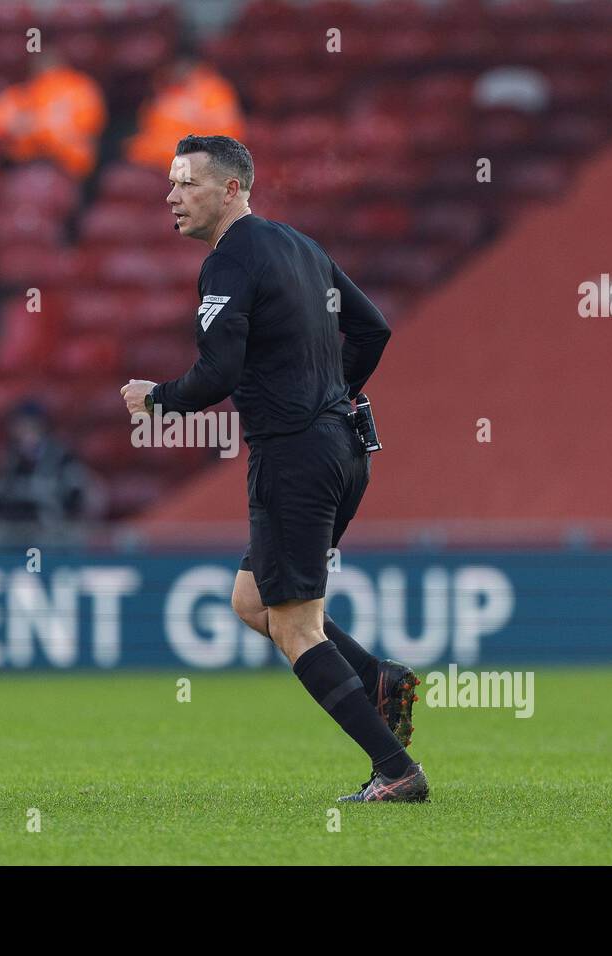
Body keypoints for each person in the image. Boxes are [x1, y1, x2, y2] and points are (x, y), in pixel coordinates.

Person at [120, 135, 426, 803]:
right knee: (252, 602)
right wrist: (330, 396)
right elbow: (372, 328)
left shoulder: (229, 263)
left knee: (294, 625)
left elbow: (217, 374)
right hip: (343, 447)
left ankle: (396, 769)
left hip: (295, 454)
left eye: (188, 184)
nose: (172, 197)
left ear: (231, 190)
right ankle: (379, 678)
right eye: (170, 184)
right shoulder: (300, 246)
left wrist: (157, 397)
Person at [0, 50, 107, 179]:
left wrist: (33, 126)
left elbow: (89, 128)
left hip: (69, 167)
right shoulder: (33, 91)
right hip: (31, 162)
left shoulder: (80, 88)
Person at [0, 399, 101, 537]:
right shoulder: (9, 457)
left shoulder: (61, 456)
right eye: (19, 425)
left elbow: (80, 493)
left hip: (51, 528)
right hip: (14, 527)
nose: (23, 431)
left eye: (29, 426)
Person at [124, 57, 245, 171]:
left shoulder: (215, 92)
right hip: (159, 164)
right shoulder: (164, 91)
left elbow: (225, 143)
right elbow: (146, 137)